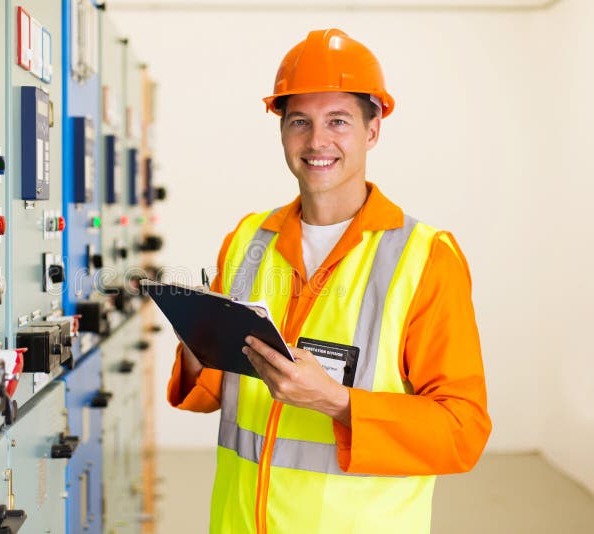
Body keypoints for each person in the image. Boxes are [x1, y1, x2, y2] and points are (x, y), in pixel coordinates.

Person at [166, 28, 492, 533]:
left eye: (337, 121)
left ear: (373, 129)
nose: (317, 141)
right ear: (281, 131)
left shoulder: (426, 257)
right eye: (300, 122)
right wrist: (195, 336)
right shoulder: (248, 239)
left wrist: (336, 402)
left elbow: (462, 430)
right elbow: (217, 389)